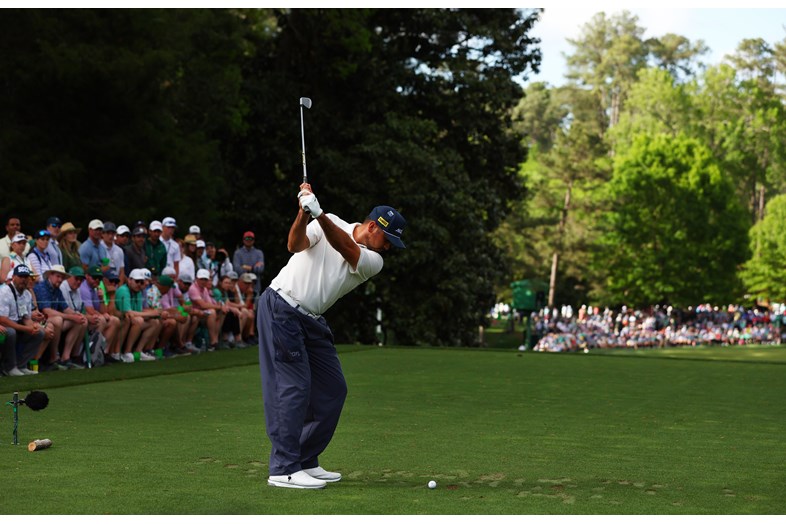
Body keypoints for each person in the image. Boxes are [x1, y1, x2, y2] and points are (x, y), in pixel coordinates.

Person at [258, 183, 406, 489]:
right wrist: (303, 213)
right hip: (281, 306)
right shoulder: (332, 221)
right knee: (295, 386)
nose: (388, 247)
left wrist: (318, 213)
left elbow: (345, 248)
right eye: (388, 239)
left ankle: (305, 460)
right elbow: (294, 244)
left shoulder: (373, 261)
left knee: (333, 389)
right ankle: (283, 468)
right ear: (371, 227)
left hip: (311, 319)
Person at [33, 264, 89, 371]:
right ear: (50, 275)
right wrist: (71, 316)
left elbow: (65, 308)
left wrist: (77, 315)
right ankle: (54, 358)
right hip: (39, 320)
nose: (60, 280)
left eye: (62, 277)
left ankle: (66, 357)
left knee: (80, 320)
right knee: (58, 320)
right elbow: (46, 311)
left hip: (49, 320)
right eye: (58, 276)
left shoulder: (57, 289)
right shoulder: (41, 287)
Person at [0, 265, 45, 376]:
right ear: (14, 277)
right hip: (4, 325)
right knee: (10, 332)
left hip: (17, 324)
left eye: (26, 277)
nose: (24, 280)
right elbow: (3, 320)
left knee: (39, 332)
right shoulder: (4, 292)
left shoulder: (27, 295)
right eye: (21, 276)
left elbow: (26, 318)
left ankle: (22, 365)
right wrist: (26, 328)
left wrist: (33, 327)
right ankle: (10, 367)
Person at [115, 268, 161, 363]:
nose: (139, 285)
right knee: (139, 320)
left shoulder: (138, 292)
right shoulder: (123, 290)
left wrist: (154, 314)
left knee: (155, 322)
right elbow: (128, 312)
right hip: (121, 320)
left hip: (130, 320)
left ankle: (138, 351)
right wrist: (151, 313)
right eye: (137, 281)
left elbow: (138, 311)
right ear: (129, 280)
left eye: (141, 282)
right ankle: (127, 352)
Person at [80, 265, 123, 363]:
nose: (97, 280)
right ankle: (91, 352)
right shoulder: (84, 288)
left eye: (99, 278)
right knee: (102, 319)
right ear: (87, 276)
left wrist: (101, 299)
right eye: (94, 278)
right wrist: (102, 314)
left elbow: (104, 311)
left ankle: (103, 352)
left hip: (92, 316)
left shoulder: (96, 289)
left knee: (115, 320)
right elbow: (89, 309)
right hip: (84, 316)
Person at [188, 268, 227, 351]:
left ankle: (215, 340)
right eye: (201, 279)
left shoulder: (204, 289)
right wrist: (218, 307)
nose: (203, 281)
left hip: (198, 312)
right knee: (212, 312)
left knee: (221, 312)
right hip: (190, 312)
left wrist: (219, 307)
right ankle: (212, 342)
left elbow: (208, 303)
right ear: (196, 279)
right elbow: (202, 305)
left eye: (205, 279)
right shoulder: (193, 288)